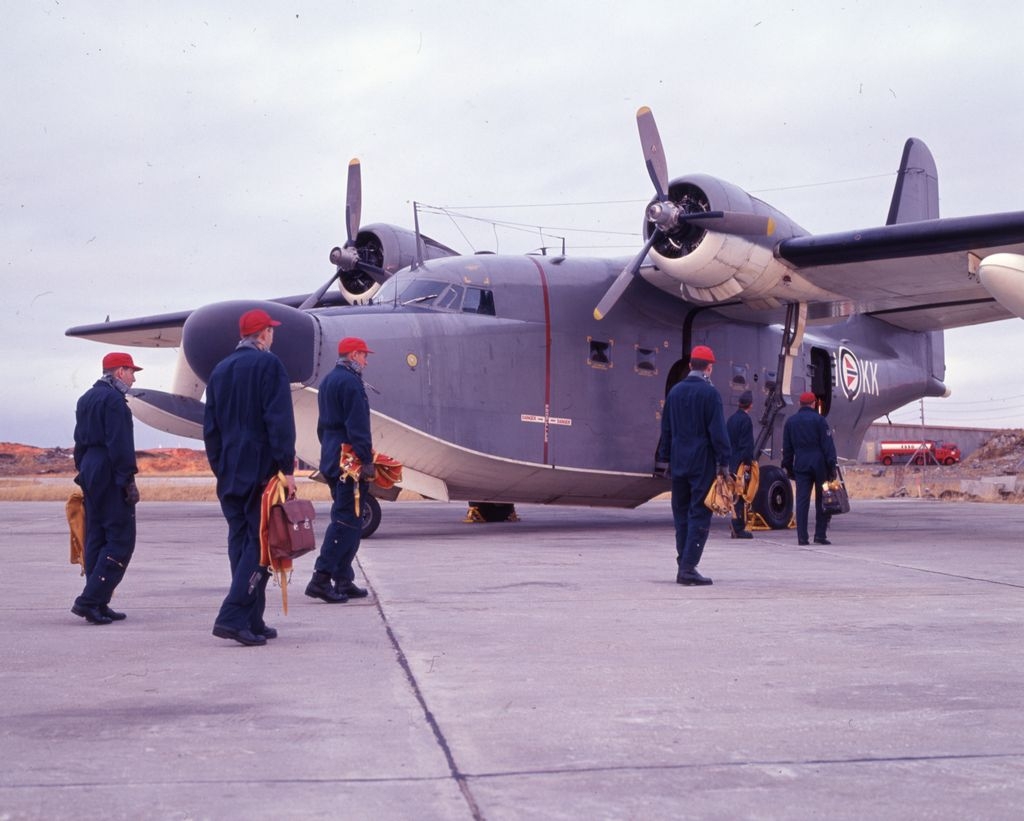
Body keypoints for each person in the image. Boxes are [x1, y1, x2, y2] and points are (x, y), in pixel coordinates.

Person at [204, 308, 297, 646]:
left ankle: (252, 618)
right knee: (261, 544)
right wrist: (287, 469)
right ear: (262, 334)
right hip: (261, 471)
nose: (273, 335)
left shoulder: (220, 370)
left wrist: (221, 467)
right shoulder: (269, 365)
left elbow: (210, 429)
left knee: (240, 542)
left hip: (229, 470)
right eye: (271, 331)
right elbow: (280, 422)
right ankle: (231, 617)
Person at [71, 352, 143, 625]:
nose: (134, 378)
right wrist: (127, 479)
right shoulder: (114, 401)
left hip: (90, 467)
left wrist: (83, 472)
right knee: (121, 538)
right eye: (131, 372)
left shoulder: (86, 398)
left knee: (97, 536)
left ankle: (99, 601)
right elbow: (120, 444)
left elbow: (79, 440)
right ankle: (89, 601)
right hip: (109, 469)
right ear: (119, 372)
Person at [306, 337, 376, 603]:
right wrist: (366, 458)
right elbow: (358, 425)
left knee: (352, 519)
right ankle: (321, 579)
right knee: (347, 520)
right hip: (350, 462)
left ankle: (343, 579)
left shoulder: (327, 382)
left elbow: (323, 428)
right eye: (364, 356)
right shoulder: (350, 383)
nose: (366, 361)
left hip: (333, 457)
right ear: (354, 355)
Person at [655, 345, 731, 586]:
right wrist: (724, 462)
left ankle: (683, 562)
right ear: (709, 368)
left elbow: (666, 430)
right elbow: (718, 432)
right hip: (702, 463)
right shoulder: (711, 394)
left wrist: (664, 459)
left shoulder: (674, 393)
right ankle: (688, 568)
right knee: (699, 512)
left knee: (681, 513)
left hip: (678, 462)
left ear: (690, 365)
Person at [782, 391, 839, 546]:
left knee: (802, 501)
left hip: (800, 464)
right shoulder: (820, 420)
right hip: (820, 465)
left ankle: (802, 537)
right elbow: (827, 445)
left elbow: (787, 448)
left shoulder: (791, 422)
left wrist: (788, 466)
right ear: (814, 403)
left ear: (800, 404)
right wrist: (832, 465)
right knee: (822, 500)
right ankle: (820, 535)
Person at [727, 390, 755, 539]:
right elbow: (747, 445)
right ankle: (739, 528)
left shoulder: (731, 419)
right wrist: (748, 463)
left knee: (733, 495)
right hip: (740, 463)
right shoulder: (746, 421)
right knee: (741, 495)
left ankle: (734, 524)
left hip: (730, 462)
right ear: (750, 405)